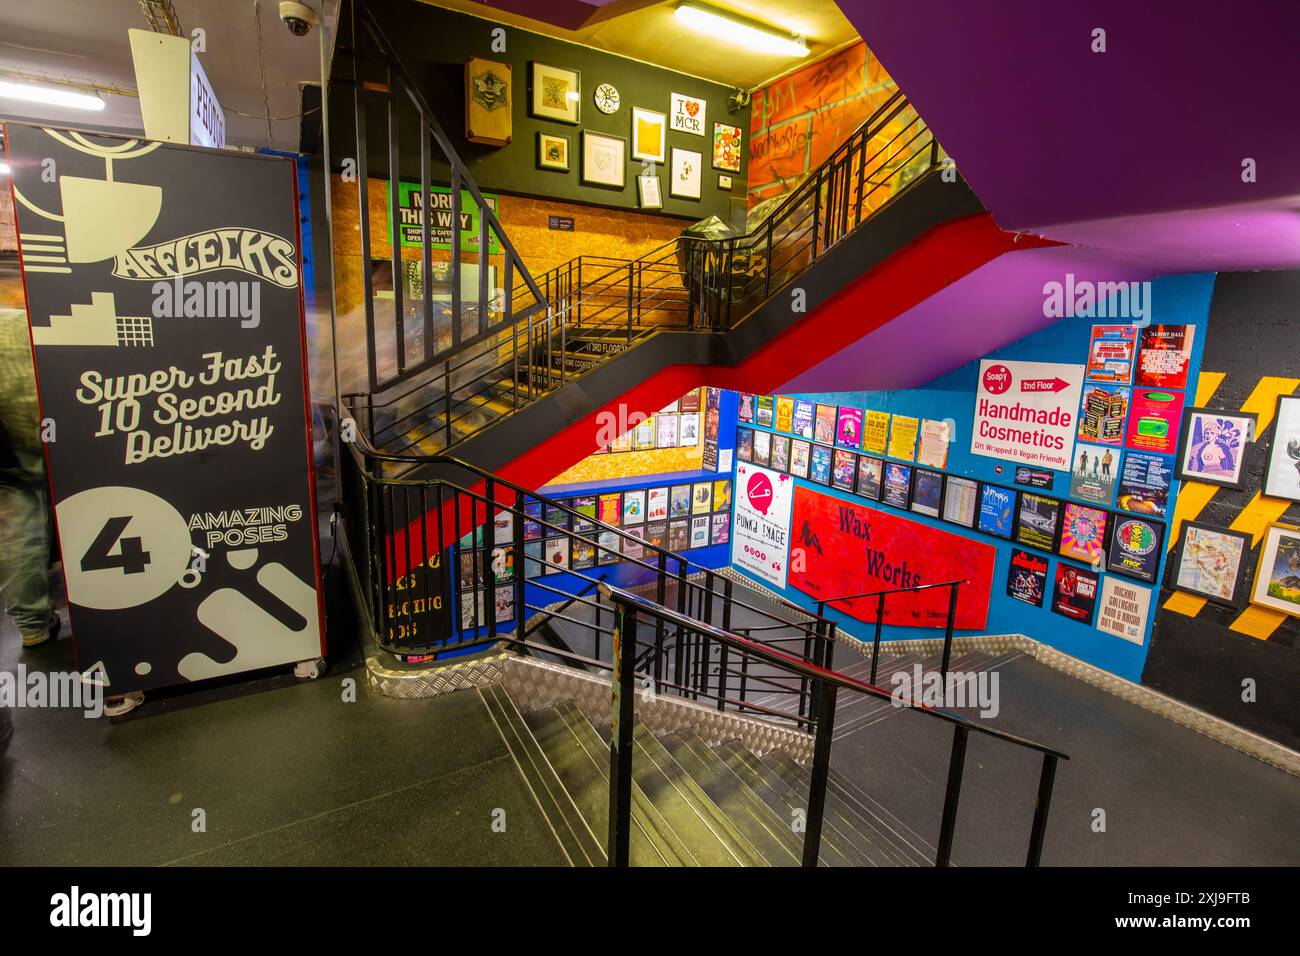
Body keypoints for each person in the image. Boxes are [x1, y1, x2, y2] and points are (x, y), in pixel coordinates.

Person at [0, 257, 59, 648]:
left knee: (21, 522)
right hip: (52, 429)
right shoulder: (28, 323)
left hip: (9, 444)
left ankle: (31, 623)